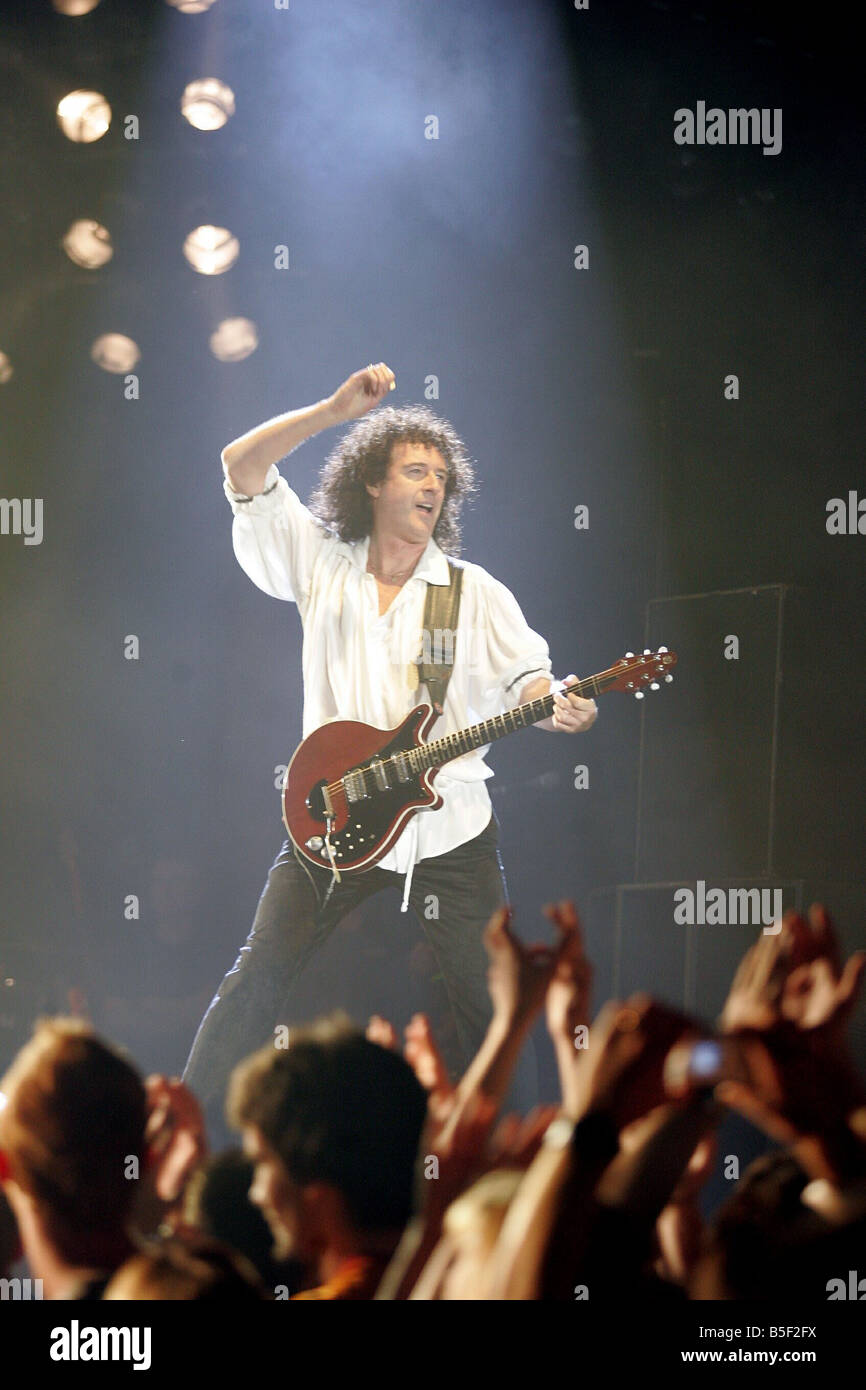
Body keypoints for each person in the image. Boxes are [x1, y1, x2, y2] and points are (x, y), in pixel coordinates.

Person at [183, 363, 597, 1127]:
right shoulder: (322, 563)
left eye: (441, 475)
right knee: (257, 978)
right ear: (373, 482)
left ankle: (527, 1162)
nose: (432, 485)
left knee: (492, 1002)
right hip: (335, 816)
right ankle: (173, 1132)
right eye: (414, 469)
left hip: (450, 829)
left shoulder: (471, 592)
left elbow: (527, 685)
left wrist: (557, 706)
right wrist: (333, 410)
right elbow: (240, 466)